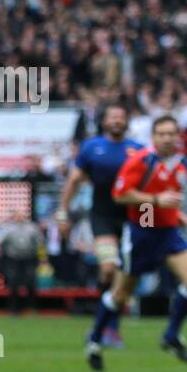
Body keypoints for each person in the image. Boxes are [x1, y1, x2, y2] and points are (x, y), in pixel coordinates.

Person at [86, 116, 187, 371]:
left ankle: (171, 335)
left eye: (171, 134)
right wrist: (155, 203)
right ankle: (94, 340)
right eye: (162, 134)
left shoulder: (179, 166)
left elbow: (165, 199)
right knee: (122, 294)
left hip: (168, 234)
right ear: (154, 137)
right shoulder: (140, 161)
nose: (167, 138)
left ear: (178, 136)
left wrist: (175, 215)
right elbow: (121, 195)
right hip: (141, 234)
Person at [57, 106, 141, 348]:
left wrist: (149, 221)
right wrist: (63, 212)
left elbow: (148, 186)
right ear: (104, 122)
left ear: (127, 122)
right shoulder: (91, 147)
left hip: (131, 218)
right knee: (107, 269)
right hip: (102, 216)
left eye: (121, 117)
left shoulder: (138, 149)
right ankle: (107, 327)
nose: (117, 120)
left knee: (125, 275)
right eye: (112, 117)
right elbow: (73, 181)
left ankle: (109, 328)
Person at [0, 208, 41, 315]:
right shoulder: (9, 228)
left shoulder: (32, 227)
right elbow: (0, 243)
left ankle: (32, 307)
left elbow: (40, 243)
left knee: (31, 282)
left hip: (29, 258)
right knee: (13, 283)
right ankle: (14, 309)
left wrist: (42, 259)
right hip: (13, 259)